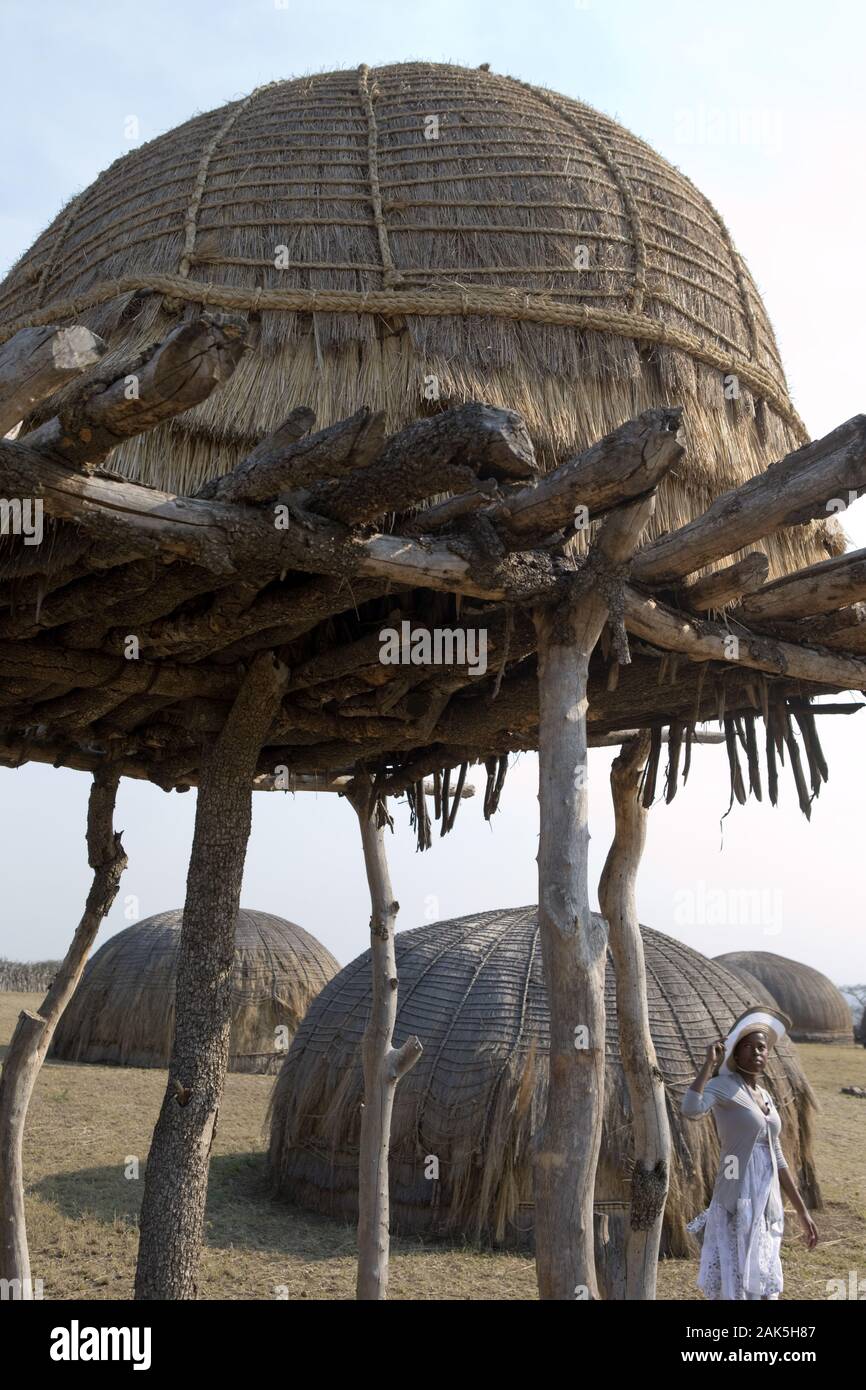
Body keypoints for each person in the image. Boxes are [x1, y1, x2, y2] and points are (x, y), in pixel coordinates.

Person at [681, 1006, 818, 1300]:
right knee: (737, 1267)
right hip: (737, 1188)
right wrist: (708, 1065)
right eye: (750, 1047)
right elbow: (690, 1109)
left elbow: (777, 1156)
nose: (758, 1052)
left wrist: (803, 1211)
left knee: (760, 1264)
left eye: (763, 1048)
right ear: (736, 1055)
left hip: (766, 1195)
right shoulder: (723, 1086)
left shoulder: (766, 1096)